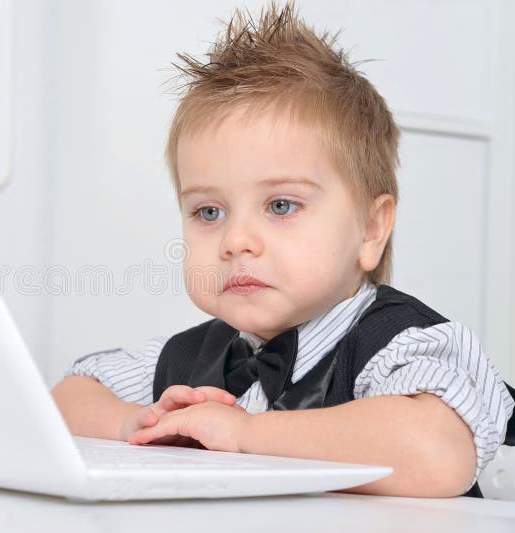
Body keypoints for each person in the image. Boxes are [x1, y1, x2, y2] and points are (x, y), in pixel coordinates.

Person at [50, 2, 515, 498]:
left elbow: (435, 453)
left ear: (370, 231)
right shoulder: (193, 358)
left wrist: (245, 434)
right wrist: (137, 424)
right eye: (209, 212)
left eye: (281, 205)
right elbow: (63, 401)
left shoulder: (402, 345)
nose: (235, 241)